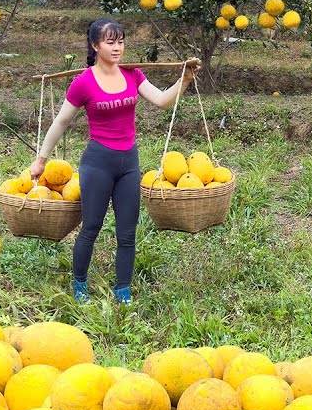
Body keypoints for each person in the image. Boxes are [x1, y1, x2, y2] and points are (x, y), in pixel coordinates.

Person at [31, 18, 197, 304]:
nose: (117, 47)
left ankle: (123, 289)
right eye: (110, 42)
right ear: (95, 45)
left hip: (128, 163)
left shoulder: (133, 75)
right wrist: (41, 160)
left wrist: (183, 81)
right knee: (92, 227)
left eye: (120, 41)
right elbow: (61, 122)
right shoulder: (83, 82)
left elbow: (161, 100)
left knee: (127, 230)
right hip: (98, 163)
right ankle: (80, 284)